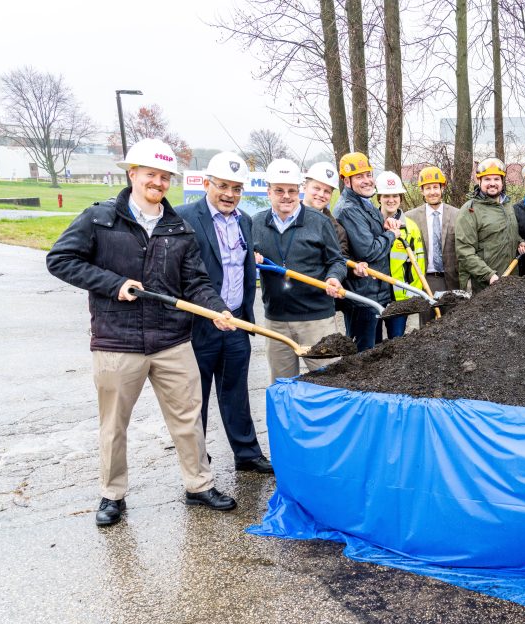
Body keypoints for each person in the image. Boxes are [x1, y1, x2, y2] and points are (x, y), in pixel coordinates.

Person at [46, 138, 239, 527]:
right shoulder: (99, 218)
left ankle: (198, 485)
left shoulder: (179, 227)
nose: (159, 182)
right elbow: (59, 260)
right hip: (117, 341)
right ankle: (112, 494)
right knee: (114, 424)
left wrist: (216, 308)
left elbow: (195, 282)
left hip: (171, 340)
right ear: (132, 173)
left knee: (188, 417)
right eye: (151, 174)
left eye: (165, 176)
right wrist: (111, 282)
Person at [174, 152, 272, 475]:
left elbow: (244, 270)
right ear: (206, 184)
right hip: (199, 326)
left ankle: (246, 454)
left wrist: (245, 318)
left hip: (236, 324)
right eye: (223, 186)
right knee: (195, 400)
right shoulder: (185, 216)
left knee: (236, 393)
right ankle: (198, 464)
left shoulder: (245, 220)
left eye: (237, 188)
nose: (230, 194)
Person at [252, 158, 348, 378]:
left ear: (299, 191)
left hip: (317, 320)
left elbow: (337, 261)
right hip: (276, 322)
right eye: (279, 190)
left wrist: (334, 277)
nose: (286, 196)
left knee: (330, 381)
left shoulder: (319, 222)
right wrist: (250, 260)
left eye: (291, 191)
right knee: (283, 386)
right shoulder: (255, 224)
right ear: (268, 192)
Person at [332, 152, 397, 351]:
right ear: (346, 180)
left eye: (368, 174)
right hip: (363, 296)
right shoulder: (349, 209)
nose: (367, 180)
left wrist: (383, 227)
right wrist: (392, 235)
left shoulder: (363, 203)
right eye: (359, 176)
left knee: (374, 352)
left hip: (374, 292)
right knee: (363, 355)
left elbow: (368, 235)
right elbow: (368, 251)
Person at [456, 157, 525, 293]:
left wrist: (520, 242)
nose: (492, 183)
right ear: (479, 181)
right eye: (487, 179)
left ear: (502, 181)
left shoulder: (507, 205)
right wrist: (489, 275)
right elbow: (464, 251)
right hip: (484, 285)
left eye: (496, 179)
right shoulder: (470, 210)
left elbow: (508, 233)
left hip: (510, 281)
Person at [303, 161, 356, 333]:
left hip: (320, 304)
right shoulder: (284, 217)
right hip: (284, 309)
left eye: (327, 191)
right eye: (316, 188)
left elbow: (341, 260)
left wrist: (349, 270)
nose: (321, 194)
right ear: (305, 186)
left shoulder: (336, 229)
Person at [374, 170, 425, 341]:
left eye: (395, 195)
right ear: (379, 197)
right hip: (373, 293)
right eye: (386, 196)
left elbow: (419, 263)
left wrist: (413, 296)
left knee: (396, 344)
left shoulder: (410, 227)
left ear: (400, 198)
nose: (391, 200)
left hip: (399, 297)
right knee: (372, 344)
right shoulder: (369, 224)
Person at [405, 166, 460, 324]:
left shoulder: (457, 215)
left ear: (442, 188)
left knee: (453, 325)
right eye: (427, 188)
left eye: (435, 187)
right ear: (422, 191)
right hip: (427, 280)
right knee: (428, 328)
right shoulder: (411, 217)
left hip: (452, 280)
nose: (432, 192)